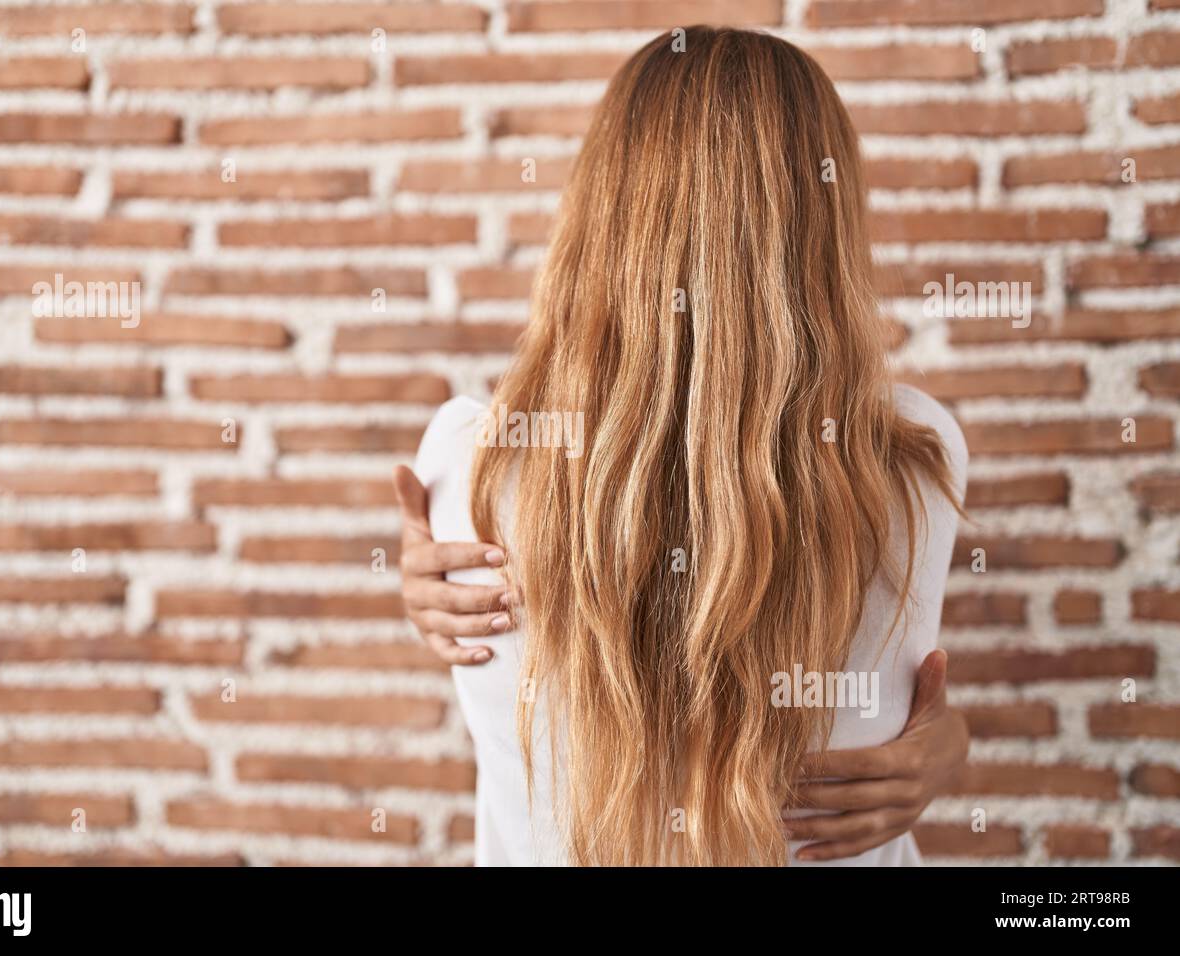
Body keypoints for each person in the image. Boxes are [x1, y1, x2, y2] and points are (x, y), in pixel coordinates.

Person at [396, 26, 970, 866]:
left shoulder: (467, 460)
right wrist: (951, 742)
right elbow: (899, 703)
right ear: (826, 216)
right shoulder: (912, 460)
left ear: (598, 208)